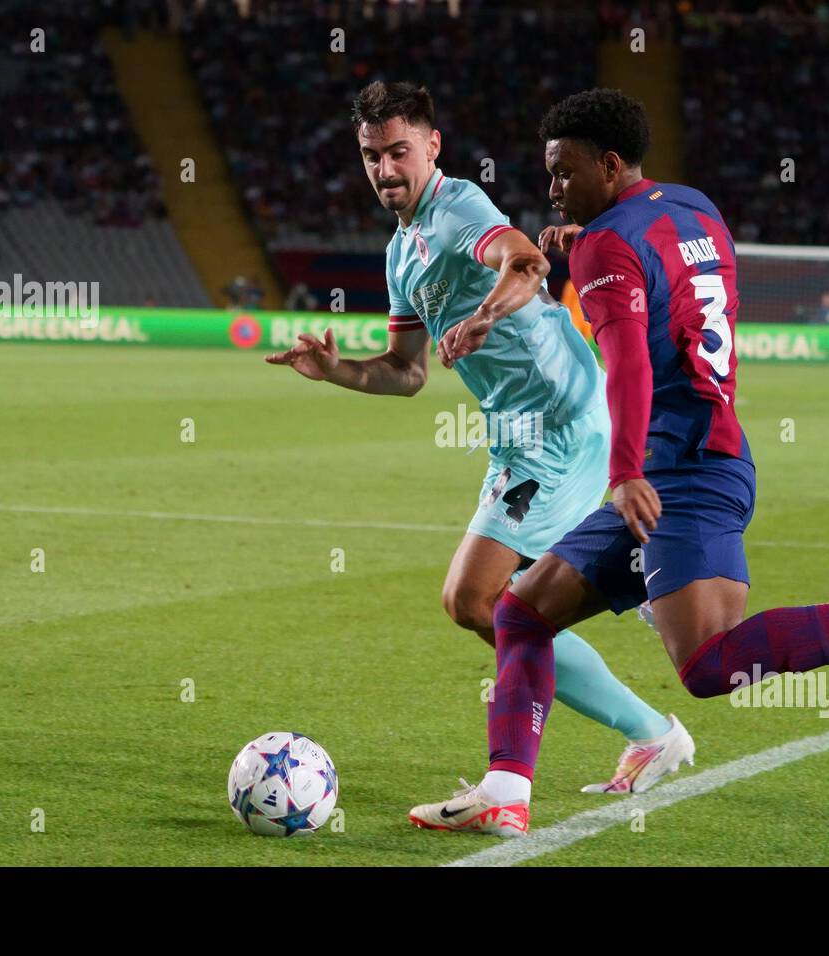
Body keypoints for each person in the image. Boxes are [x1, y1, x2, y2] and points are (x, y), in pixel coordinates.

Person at [409, 89, 829, 838]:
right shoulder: (695, 208)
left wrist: (625, 467)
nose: (553, 189)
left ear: (607, 164)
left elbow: (628, 361)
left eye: (564, 173)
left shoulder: (604, 246)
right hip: (700, 452)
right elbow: (668, 286)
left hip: (681, 474)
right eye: (548, 174)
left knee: (707, 666)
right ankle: (505, 789)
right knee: (522, 612)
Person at [266, 81, 694, 795]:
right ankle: (645, 652)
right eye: (372, 156)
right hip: (519, 438)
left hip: (559, 426)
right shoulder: (401, 253)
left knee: (476, 599)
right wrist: (335, 369)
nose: (386, 170)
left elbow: (526, 262)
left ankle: (640, 726)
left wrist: (486, 316)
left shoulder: (459, 206)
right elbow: (405, 373)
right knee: (502, 604)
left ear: (432, 147)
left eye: (399, 151)